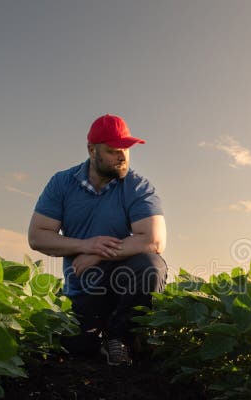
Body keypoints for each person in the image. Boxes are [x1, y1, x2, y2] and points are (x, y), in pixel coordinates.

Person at [28, 114, 167, 366]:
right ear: (92, 150)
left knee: (151, 265)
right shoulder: (61, 183)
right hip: (84, 289)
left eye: (126, 149)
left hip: (124, 288)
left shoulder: (137, 186)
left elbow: (154, 239)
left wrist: (99, 252)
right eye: (113, 150)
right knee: (79, 349)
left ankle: (121, 338)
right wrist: (84, 245)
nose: (122, 156)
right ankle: (97, 335)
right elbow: (38, 236)